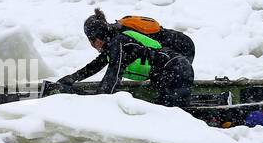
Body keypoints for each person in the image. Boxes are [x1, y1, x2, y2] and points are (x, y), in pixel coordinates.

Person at [54, 9, 194, 107]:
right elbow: (96, 65)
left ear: (100, 36)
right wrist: (71, 78)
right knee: (166, 111)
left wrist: (98, 102)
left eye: (92, 40)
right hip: (173, 70)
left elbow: (113, 76)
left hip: (176, 69)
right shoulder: (115, 43)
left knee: (169, 118)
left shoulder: (119, 43)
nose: (92, 44)